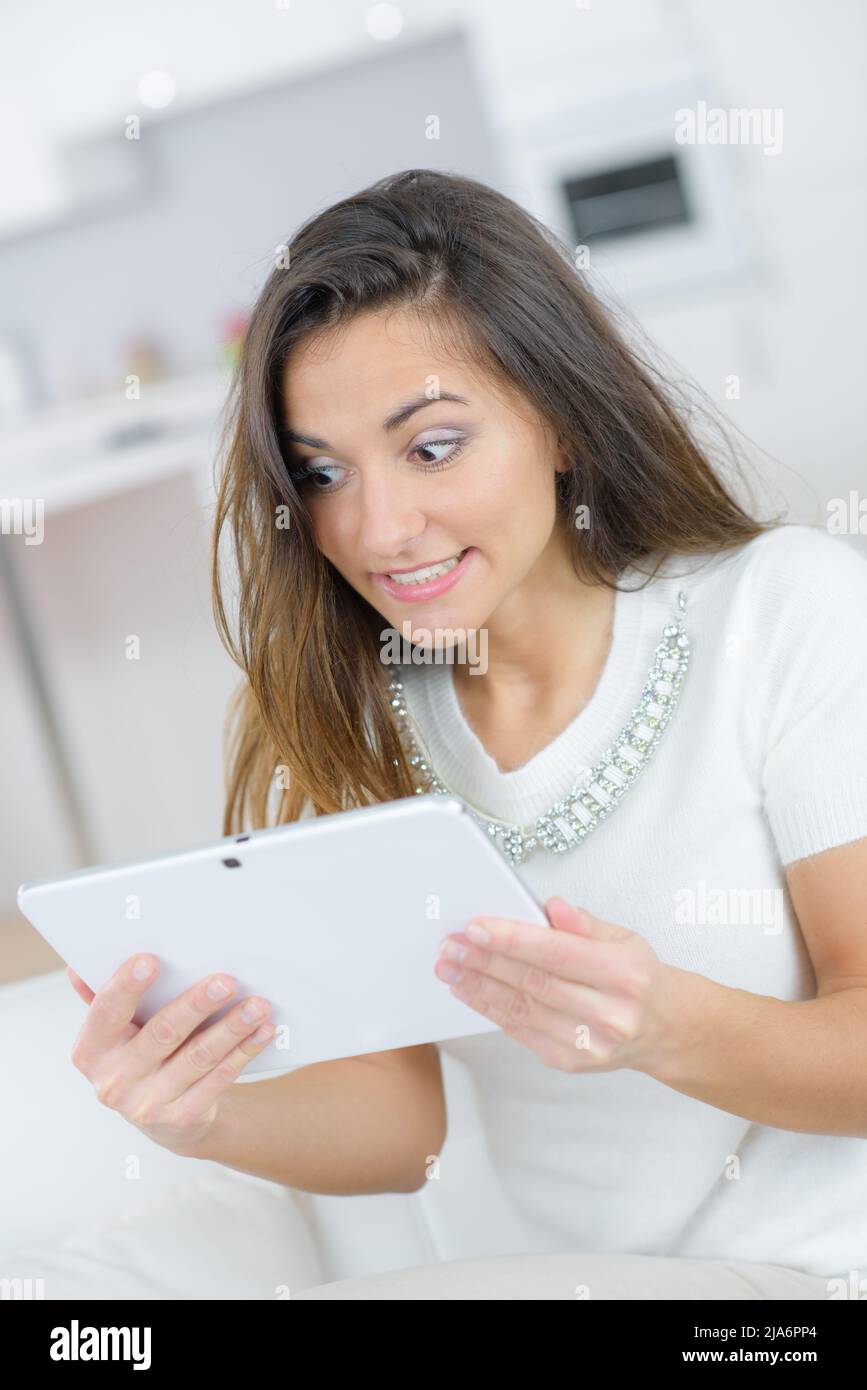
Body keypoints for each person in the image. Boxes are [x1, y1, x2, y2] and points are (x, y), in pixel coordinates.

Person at [69, 169, 867, 1300]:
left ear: (559, 419)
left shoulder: (786, 612)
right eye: (323, 473)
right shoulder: (364, 709)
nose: (377, 527)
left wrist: (662, 1024)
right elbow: (406, 1129)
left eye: (432, 446)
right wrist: (202, 1112)